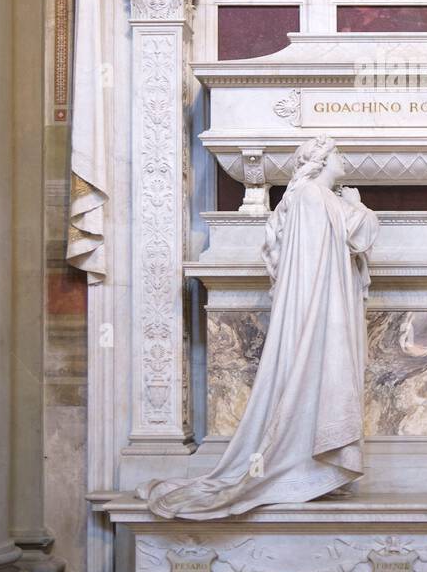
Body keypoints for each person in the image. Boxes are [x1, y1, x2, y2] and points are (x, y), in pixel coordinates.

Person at [143, 137, 378, 516]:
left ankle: (314, 468)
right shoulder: (313, 198)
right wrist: (357, 207)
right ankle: (304, 467)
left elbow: (350, 237)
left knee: (324, 378)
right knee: (316, 376)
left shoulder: (316, 198)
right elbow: (350, 238)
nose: (342, 157)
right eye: (336, 152)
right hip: (318, 311)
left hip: (324, 308)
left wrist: (353, 207)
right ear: (320, 160)